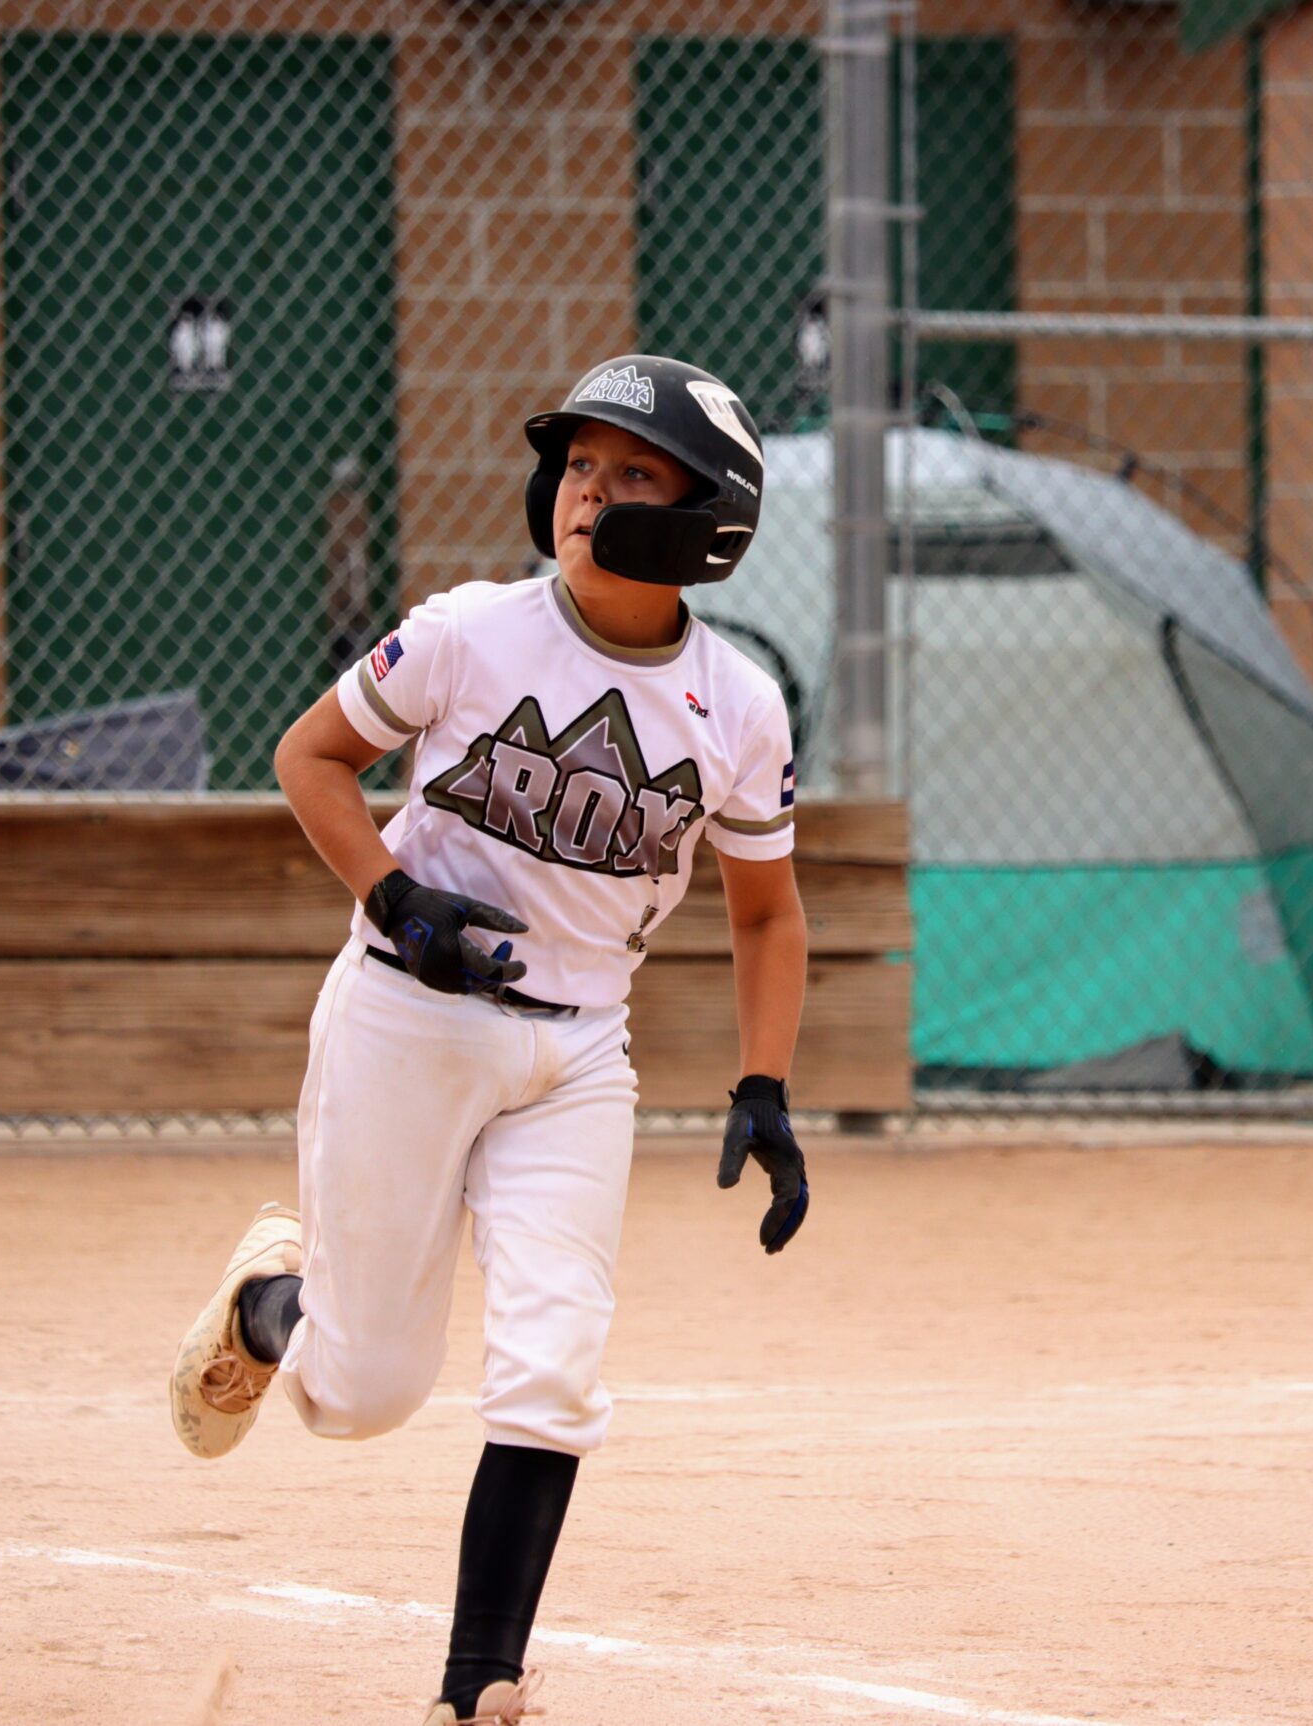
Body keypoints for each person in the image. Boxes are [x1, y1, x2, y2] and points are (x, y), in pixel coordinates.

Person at [169, 355, 810, 1723]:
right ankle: (268, 1304)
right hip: (408, 1014)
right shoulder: (470, 634)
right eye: (580, 465)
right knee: (359, 1394)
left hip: (578, 1053)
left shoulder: (740, 708)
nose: (590, 492)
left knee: (554, 1358)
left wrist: (766, 1080)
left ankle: (478, 1685)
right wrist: (393, 895)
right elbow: (308, 758)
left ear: (707, 518)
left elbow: (767, 913)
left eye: (632, 473)